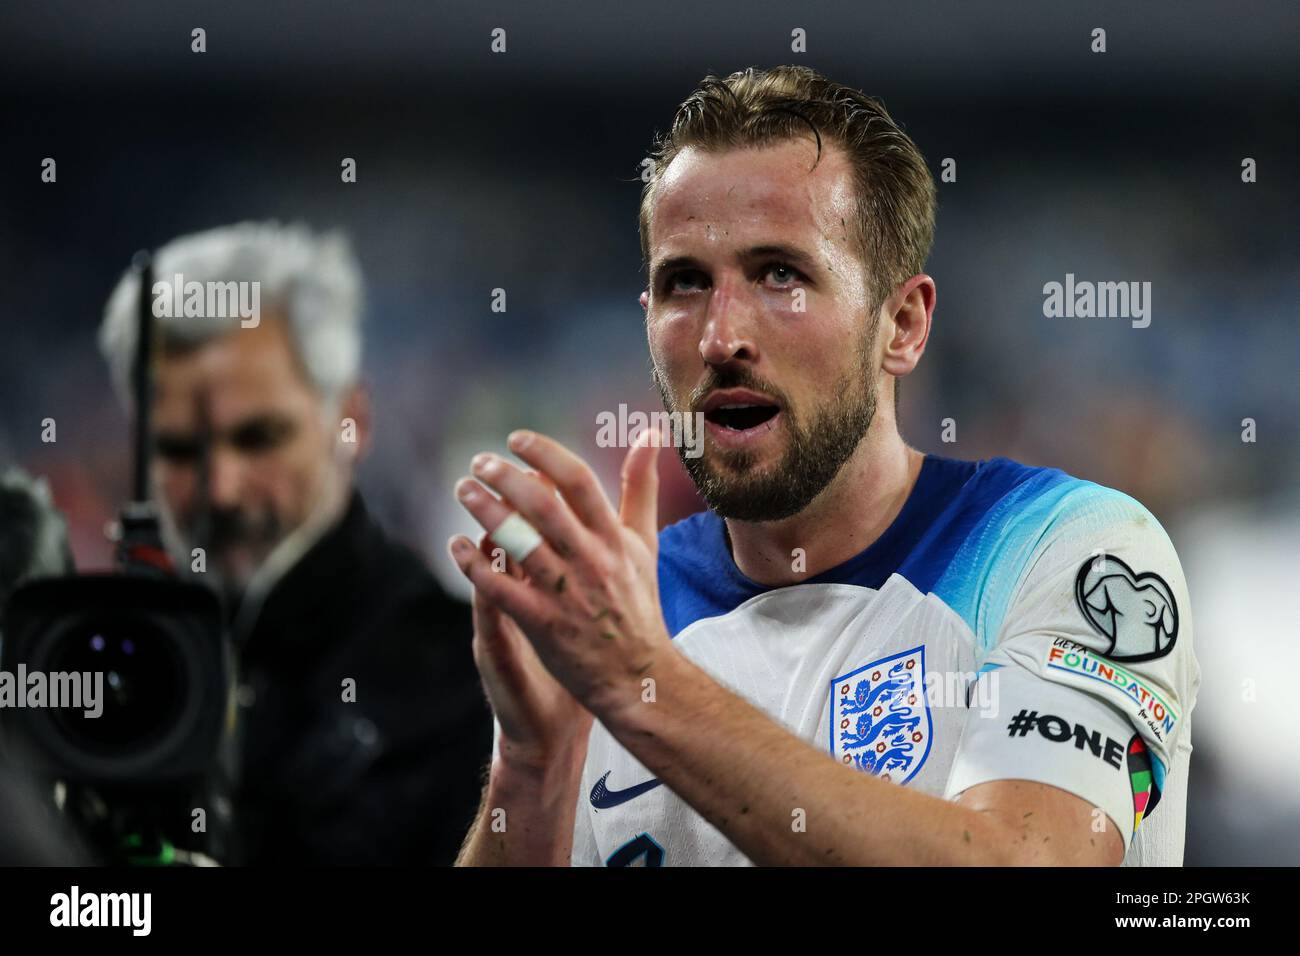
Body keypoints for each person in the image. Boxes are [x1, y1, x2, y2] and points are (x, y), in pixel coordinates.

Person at [449, 66, 1199, 866]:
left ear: (902, 325)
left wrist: (648, 688)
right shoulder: (615, 612)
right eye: (686, 283)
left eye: (781, 275)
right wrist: (531, 769)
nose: (719, 336)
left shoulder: (1064, 549)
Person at [98, 222, 491, 864]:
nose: (219, 489)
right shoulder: (91, 667)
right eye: (176, 449)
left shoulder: (465, 682)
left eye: (259, 439)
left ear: (352, 422)